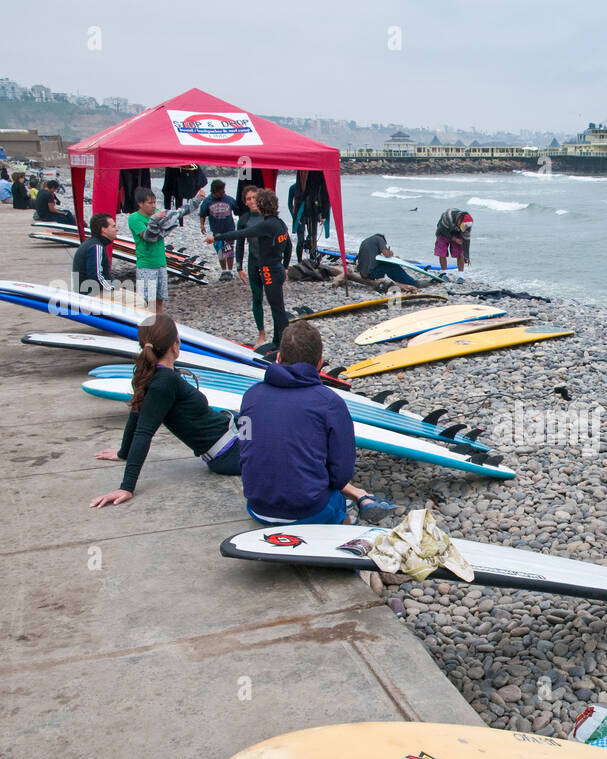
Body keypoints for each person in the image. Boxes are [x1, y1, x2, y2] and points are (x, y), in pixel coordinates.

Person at [238, 321, 396, 525]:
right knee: (336, 503)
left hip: (257, 506)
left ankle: (353, 500)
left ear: (278, 358)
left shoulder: (251, 395)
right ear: (320, 364)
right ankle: (344, 527)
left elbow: (245, 446)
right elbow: (341, 473)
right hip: (306, 510)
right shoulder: (329, 402)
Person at [90, 316, 242, 508]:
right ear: (174, 345)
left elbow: (137, 413)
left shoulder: (153, 374)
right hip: (231, 452)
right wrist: (126, 487)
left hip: (235, 435)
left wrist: (123, 452)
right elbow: (143, 432)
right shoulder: (164, 382)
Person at [216, 188, 292, 348]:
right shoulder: (280, 223)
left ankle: (287, 346)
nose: (253, 202)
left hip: (269, 270)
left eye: (256, 200)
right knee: (276, 306)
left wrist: (217, 237)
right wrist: (285, 266)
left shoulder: (267, 225)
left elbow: (241, 234)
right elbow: (289, 246)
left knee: (277, 309)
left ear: (262, 205)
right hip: (276, 268)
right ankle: (277, 341)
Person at [127, 185, 206, 315]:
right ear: (140, 204)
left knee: (159, 300)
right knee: (146, 302)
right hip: (146, 266)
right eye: (149, 203)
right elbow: (148, 237)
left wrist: (197, 200)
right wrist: (155, 220)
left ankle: (159, 327)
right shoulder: (134, 218)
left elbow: (179, 213)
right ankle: (145, 328)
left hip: (161, 264)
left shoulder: (157, 213)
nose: (153, 206)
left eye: (154, 202)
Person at [233, 185, 267, 347]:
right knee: (257, 297)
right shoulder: (244, 220)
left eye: (254, 197)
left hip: (269, 264)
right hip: (253, 263)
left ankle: (280, 334)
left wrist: (284, 265)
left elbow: (282, 241)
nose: (252, 201)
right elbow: (239, 245)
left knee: (275, 300)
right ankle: (261, 333)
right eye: (248, 199)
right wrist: (239, 267)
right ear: (245, 202)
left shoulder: (268, 217)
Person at [199, 179, 239, 281]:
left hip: (229, 230)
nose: (224, 192)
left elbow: (238, 209)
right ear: (215, 191)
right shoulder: (207, 201)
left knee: (229, 250)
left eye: (224, 190)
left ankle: (229, 270)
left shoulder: (228, 199)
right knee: (220, 251)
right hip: (216, 232)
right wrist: (202, 225)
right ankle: (223, 270)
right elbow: (202, 214)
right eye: (221, 191)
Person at [72, 213, 118, 296]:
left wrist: (115, 284)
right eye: (113, 226)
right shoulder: (96, 247)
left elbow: (104, 274)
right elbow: (96, 276)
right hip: (89, 293)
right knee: (138, 302)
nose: (117, 229)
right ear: (103, 229)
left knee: (134, 296)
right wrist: (112, 287)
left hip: (87, 290)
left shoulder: (93, 243)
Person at [434, 208, 473, 274]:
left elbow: (466, 239)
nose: (464, 228)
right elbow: (443, 230)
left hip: (457, 233)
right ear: (459, 220)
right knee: (442, 252)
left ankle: (461, 275)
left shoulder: (468, 224)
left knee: (461, 253)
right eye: (462, 226)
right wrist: (454, 239)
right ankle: (444, 273)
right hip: (443, 231)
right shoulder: (448, 216)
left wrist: (467, 256)